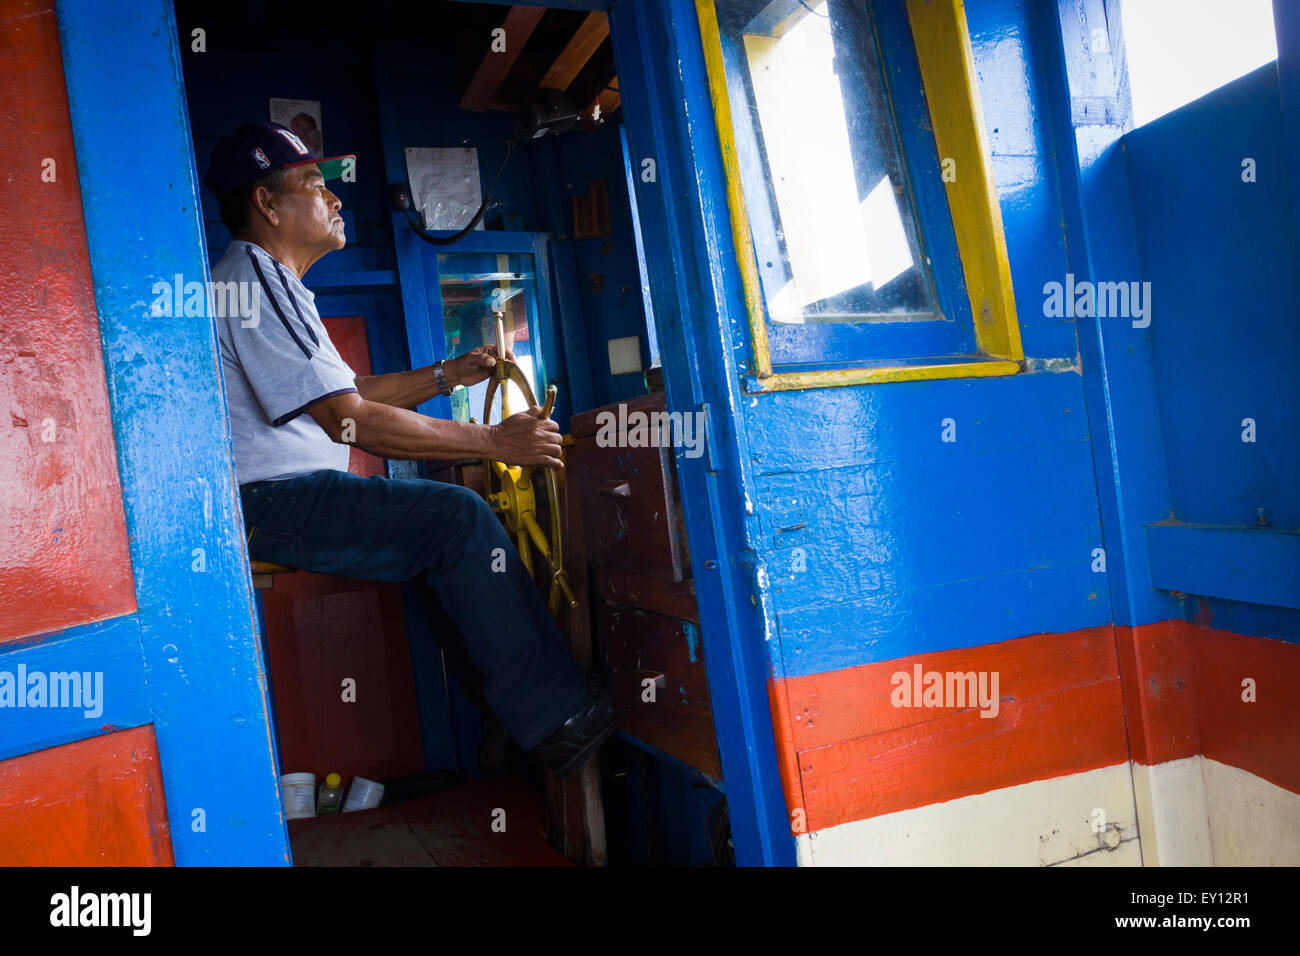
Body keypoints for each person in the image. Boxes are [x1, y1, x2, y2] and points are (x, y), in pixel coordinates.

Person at [203, 122, 613, 779]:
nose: (336, 199)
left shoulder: (261, 281)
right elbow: (348, 421)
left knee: (438, 550)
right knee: (456, 519)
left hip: (275, 499)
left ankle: (523, 720)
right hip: (273, 500)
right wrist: (495, 440)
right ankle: (557, 718)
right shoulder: (254, 276)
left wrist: (450, 374)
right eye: (314, 184)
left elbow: (351, 390)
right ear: (266, 203)